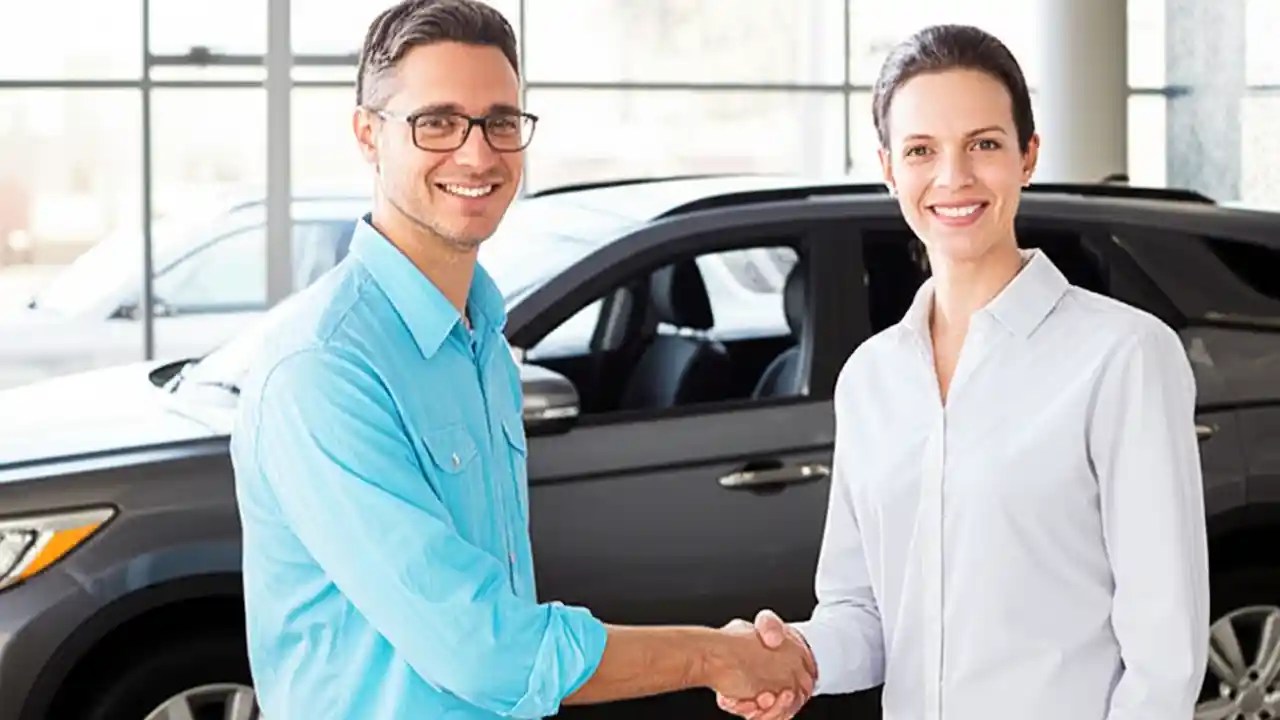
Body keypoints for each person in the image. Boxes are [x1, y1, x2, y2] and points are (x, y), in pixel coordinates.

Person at [228, 1, 813, 718]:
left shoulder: (482, 342)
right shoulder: (322, 369)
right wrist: (715, 656)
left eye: (501, 121)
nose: (477, 154)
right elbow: (482, 649)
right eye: (437, 122)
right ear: (368, 135)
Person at [718, 23, 1210, 720]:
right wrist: (791, 655)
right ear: (890, 168)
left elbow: (1165, 660)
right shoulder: (871, 379)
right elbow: (864, 615)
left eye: (984, 144)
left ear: (1027, 156)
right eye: (922, 150)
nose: (953, 177)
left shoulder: (1124, 357)